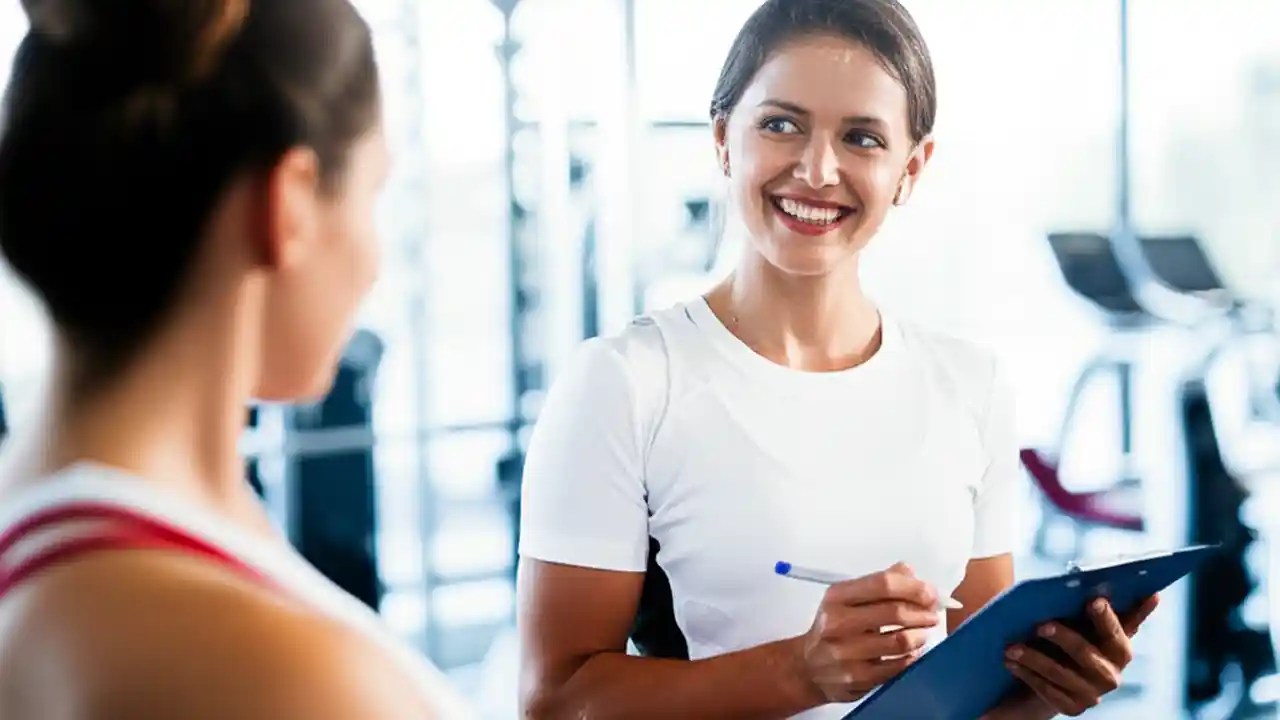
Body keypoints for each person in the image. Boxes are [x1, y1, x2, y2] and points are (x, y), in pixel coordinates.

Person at [516, 1, 1158, 718]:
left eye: (861, 138)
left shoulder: (972, 386)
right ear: (724, 137)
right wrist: (800, 672)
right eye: (781, 124)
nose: (818, 169)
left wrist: (1049, 690)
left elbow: (977, 698)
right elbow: (554, 701)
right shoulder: (626, 382)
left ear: (911, 169)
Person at [0, 0, 470, 717]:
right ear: (291, 204)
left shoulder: (64, 541)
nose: (375, 265)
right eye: (373, 192)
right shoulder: (284, 680)